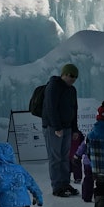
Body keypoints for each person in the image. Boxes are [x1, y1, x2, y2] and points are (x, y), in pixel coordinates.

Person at [41, 63, 79, 197]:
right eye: (71, 76)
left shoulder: (72, 90)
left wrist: (75, 129)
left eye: (75, 77)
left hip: (67, 128)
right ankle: (57, 186)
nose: (73, 79)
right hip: (54, 128)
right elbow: (51, 108)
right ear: (64, 74)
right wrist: (57, 127)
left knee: (64, 157)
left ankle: (65, 183)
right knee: (55, 158)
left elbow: (74, 109)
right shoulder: (54, 86)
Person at [73, 136, 93, 202]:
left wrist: (77, 155)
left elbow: (82, 147)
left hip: (89, 163)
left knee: (88, 179)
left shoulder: (90, 136)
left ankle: (86, 196)